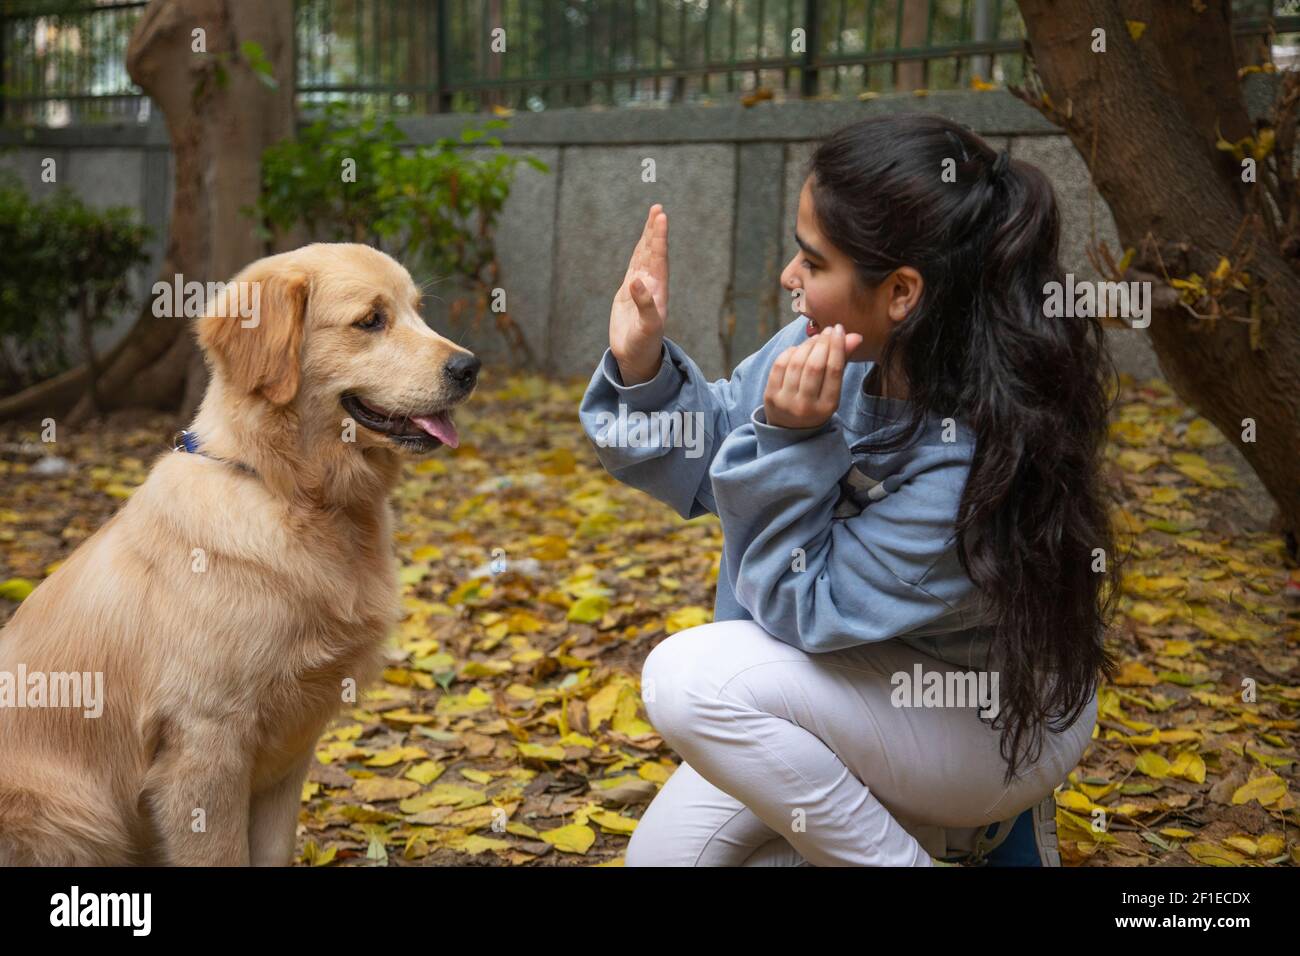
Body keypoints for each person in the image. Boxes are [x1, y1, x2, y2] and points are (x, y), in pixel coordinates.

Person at [578, 113, 1119, 866]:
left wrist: (793, 440)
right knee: (665, 860)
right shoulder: (833, 349)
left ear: (901, 292)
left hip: (981, 723)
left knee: (688, 680)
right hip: (847, 687)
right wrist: (639, 364)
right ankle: (931, 835)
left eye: (811, 260)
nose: (788, 278)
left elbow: (809, 605)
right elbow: (711, 454)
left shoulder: (975, 455)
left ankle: (979, 830)